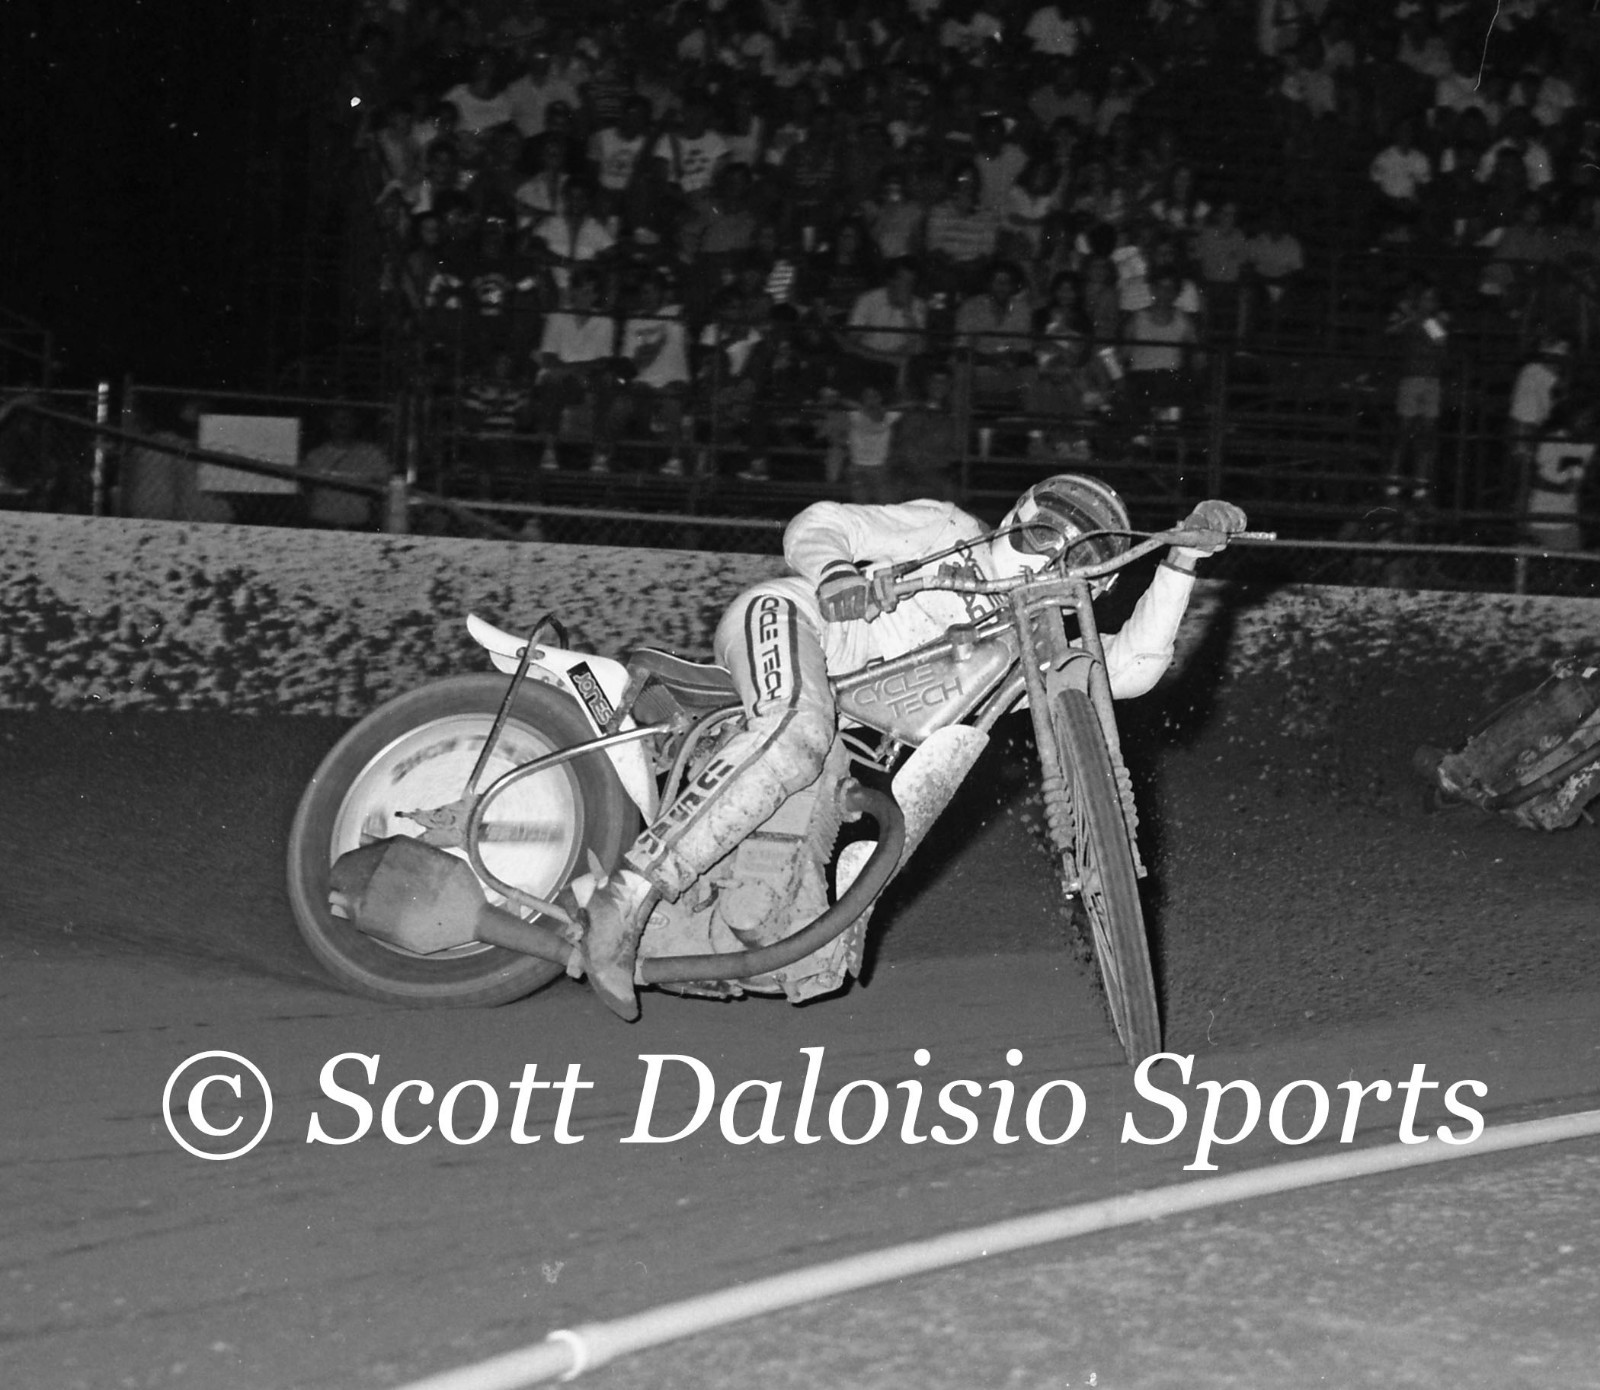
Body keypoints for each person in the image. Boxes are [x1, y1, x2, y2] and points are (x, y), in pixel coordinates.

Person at [572, 476, 1249, 1018]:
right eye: (1048, 533)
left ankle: (683, 931)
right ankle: (623, 899)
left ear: (1097, 584)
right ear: (1019, 518)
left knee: (809, 920)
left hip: (831, 732)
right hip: (791, 619)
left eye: (1082, 557)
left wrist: (1183, 559)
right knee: (799, 734)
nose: (1054, 558)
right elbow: (821, 522)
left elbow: (1130, 667)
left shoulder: (1025, 652)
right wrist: (836, 574)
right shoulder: (949, 532)